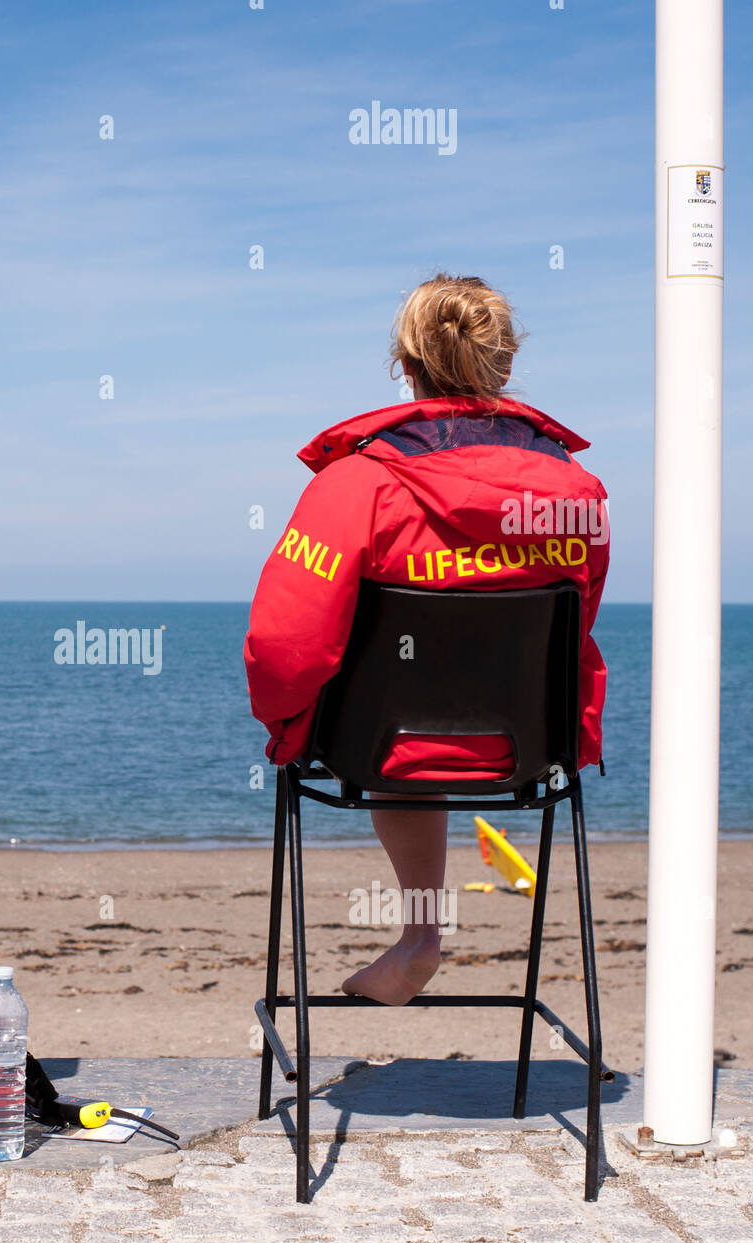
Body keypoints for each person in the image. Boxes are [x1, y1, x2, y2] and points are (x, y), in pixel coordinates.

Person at [244, 274, 609, 1006]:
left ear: (405, 368)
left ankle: (421, 936)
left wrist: (285, 728)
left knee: (402, 728)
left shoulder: (356, 486)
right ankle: (416, 938)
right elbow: (576, 624)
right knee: (432, 716)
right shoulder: (575, 494)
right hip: (530, 750)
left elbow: (284, 645)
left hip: (382, 747)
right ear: (504, 367)